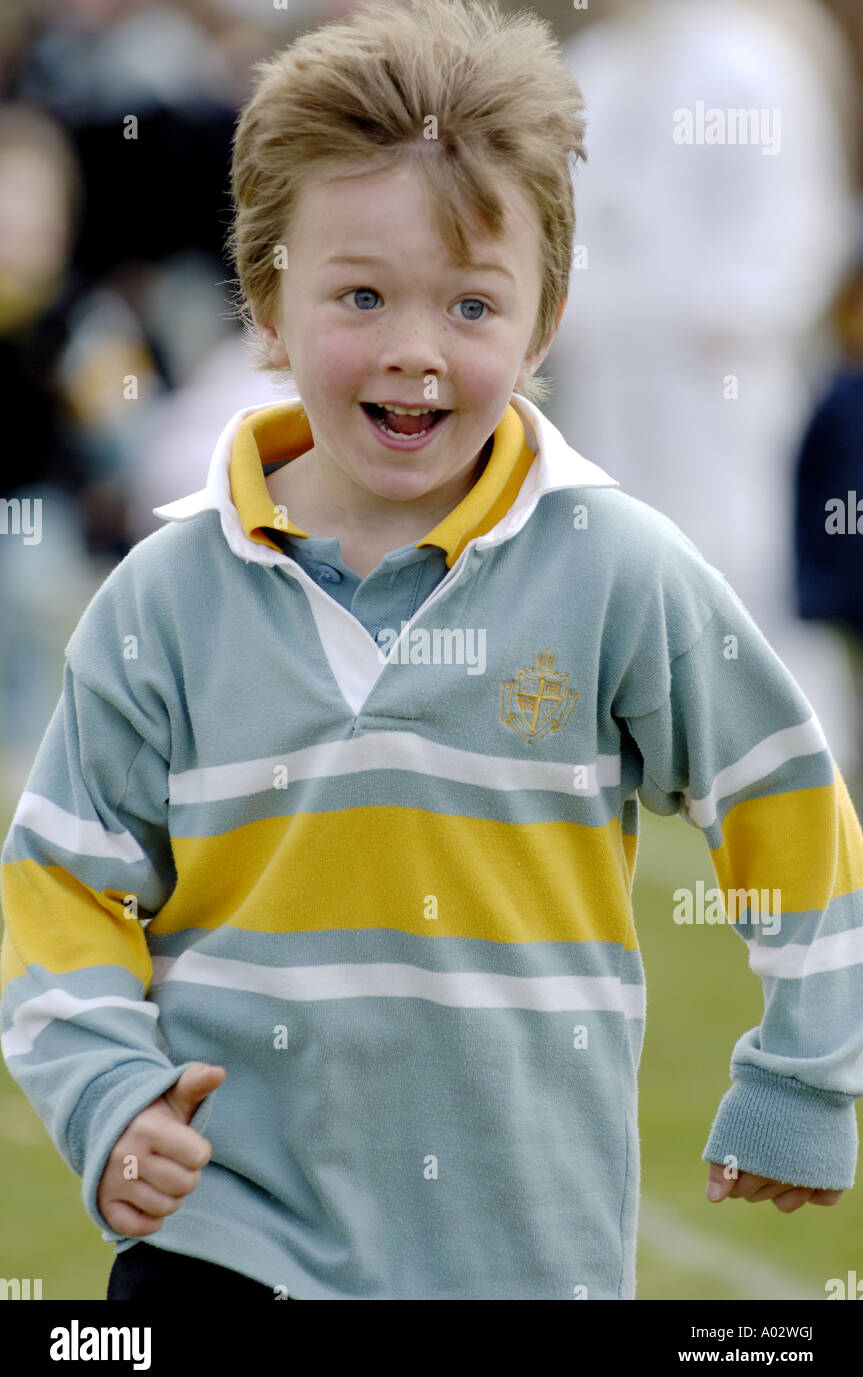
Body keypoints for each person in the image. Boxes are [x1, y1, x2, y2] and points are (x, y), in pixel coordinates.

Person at [1, 0, 862, 1303]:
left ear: (545, 323)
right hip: (220, 1249)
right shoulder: (159, 601)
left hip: (528, 1259)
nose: (414, 348)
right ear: (268, 303)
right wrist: (111, 1095)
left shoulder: (617, 572)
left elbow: (789, 805)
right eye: (361, 294)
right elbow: (60, 879)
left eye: (471, 302)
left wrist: (801, 1074)